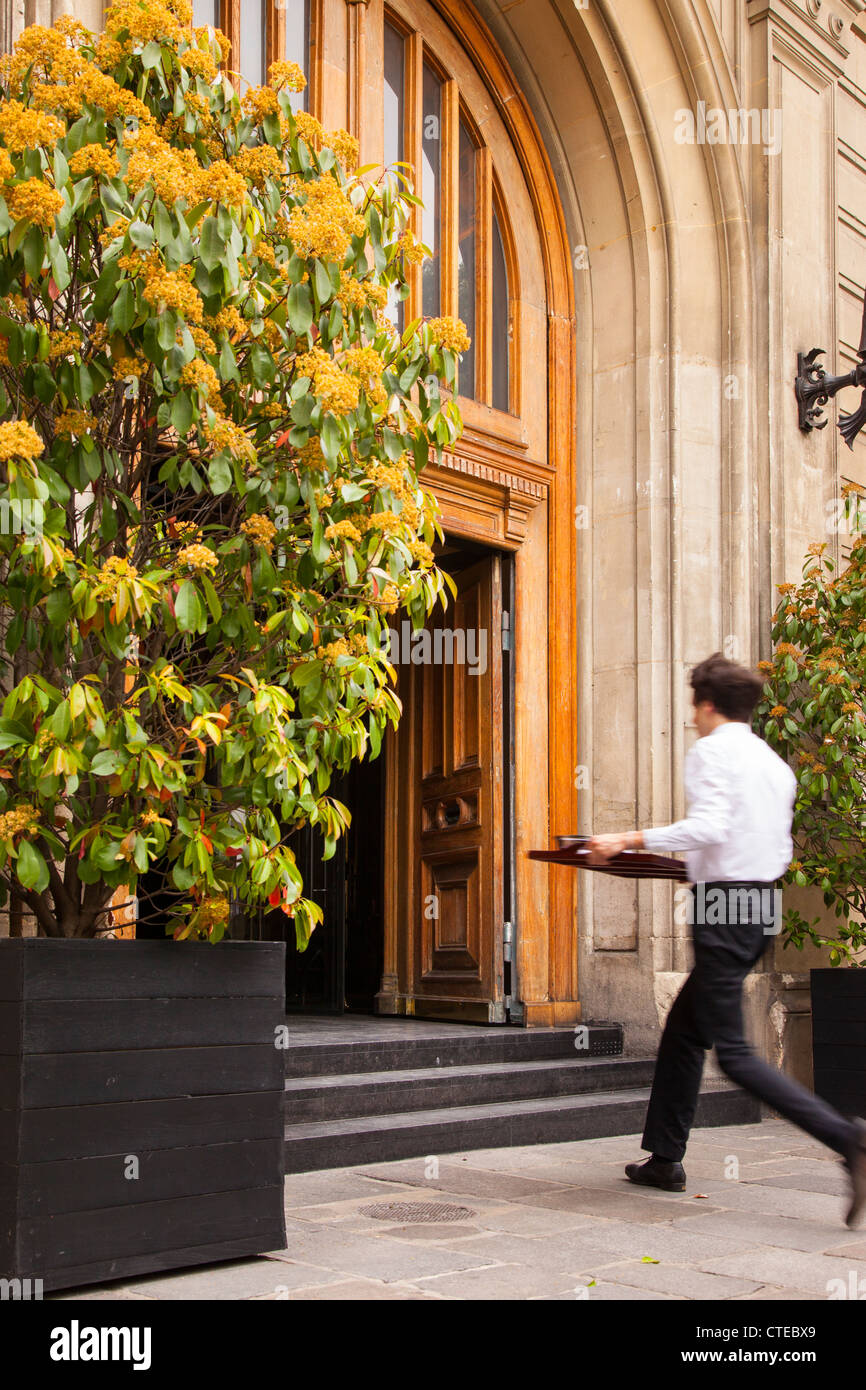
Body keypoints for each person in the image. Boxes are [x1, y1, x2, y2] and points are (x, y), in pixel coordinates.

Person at [587, 652, 866, 1226]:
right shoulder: (774, 765)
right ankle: (665, 1158)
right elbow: (757, 845)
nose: (692, 716)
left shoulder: (712, 751)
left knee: (734, 1055)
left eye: (694, 704)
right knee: (686, 1030)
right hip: (760, 905)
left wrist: (627, 838)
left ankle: (850, 1141)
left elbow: (711, 827)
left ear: (708, 704)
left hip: (723, 910)